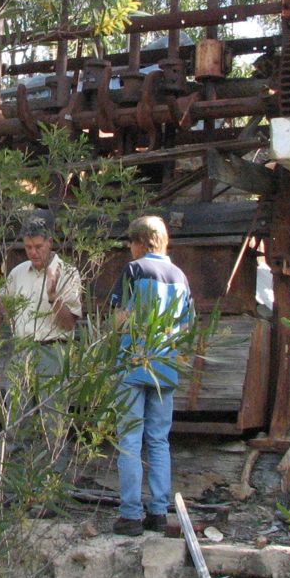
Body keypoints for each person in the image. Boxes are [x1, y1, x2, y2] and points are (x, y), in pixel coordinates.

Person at [108, 215, 194, 537]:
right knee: (158, 440)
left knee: (130, 440)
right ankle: (158, 512)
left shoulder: (135, 270)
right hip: (165, 367)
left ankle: (130, 515)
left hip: (133, 364)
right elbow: (187, 326)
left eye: (130, 242)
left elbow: (119, 319)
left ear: (140, 243)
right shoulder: (180, 276)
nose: (129, 248)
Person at [0, 211, 84, 470]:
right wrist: (9, 317)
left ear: (50, 242)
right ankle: (13, 483)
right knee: (15, 419)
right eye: (28, 247)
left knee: (53, 421)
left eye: (38, 246)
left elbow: (68, 323)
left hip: (53, 351)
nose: (33, 252)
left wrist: (53, 297)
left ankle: (54, 484)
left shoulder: (68, 273)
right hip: (22, 349)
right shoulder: (17, 272)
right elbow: (2, 303)